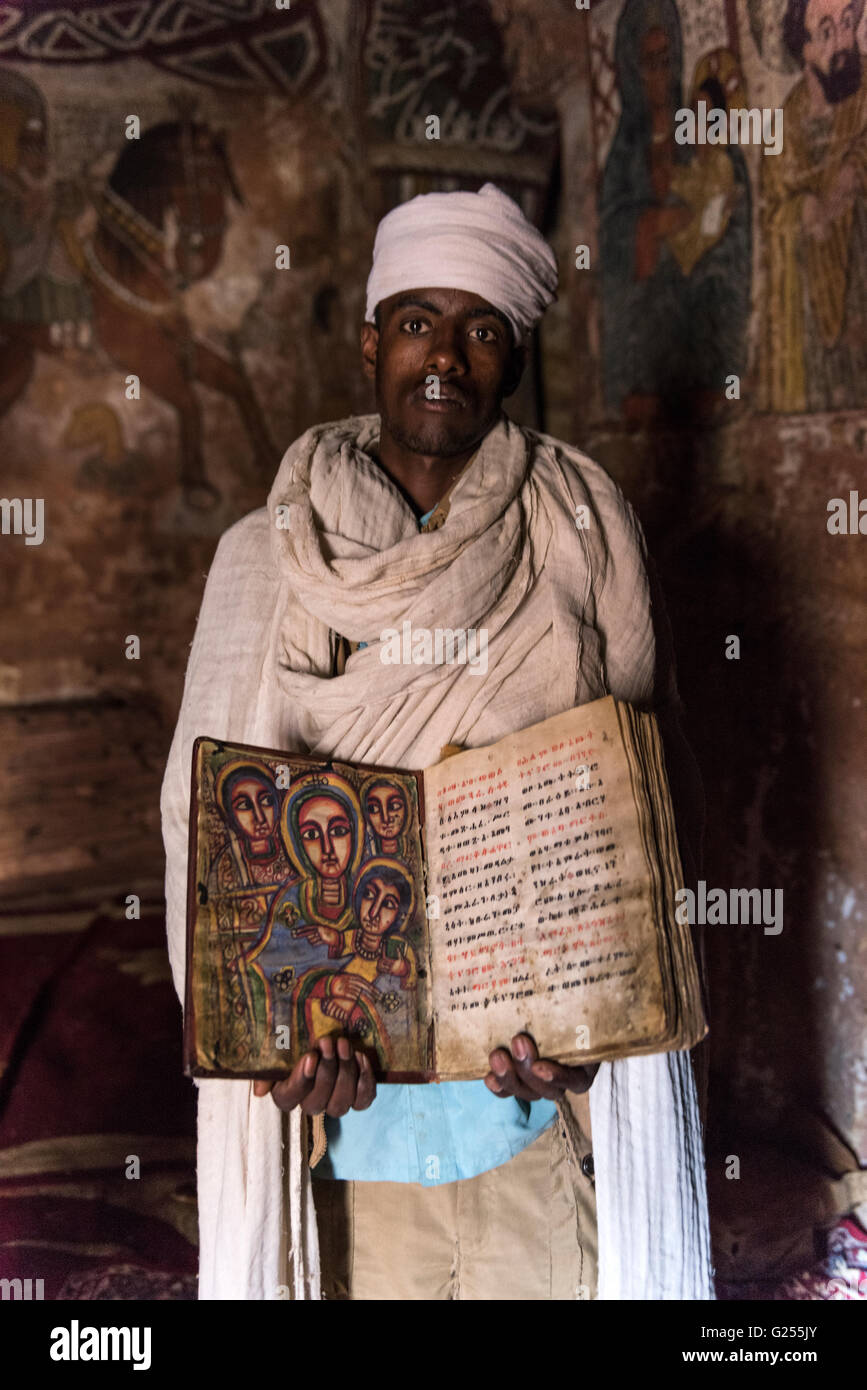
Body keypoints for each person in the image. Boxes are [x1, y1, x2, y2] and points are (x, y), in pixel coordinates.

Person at [161, 181, 713, 1300]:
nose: (445, 357)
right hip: (351, 1165)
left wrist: (594, 1039)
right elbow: (201, 835)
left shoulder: (580, 529)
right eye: (417, 321)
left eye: (482, 330)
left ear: (513, 358)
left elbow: (643, 821)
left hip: (530, 1134)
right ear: (372, 343)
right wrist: (275, 1057)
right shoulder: (260, 561)